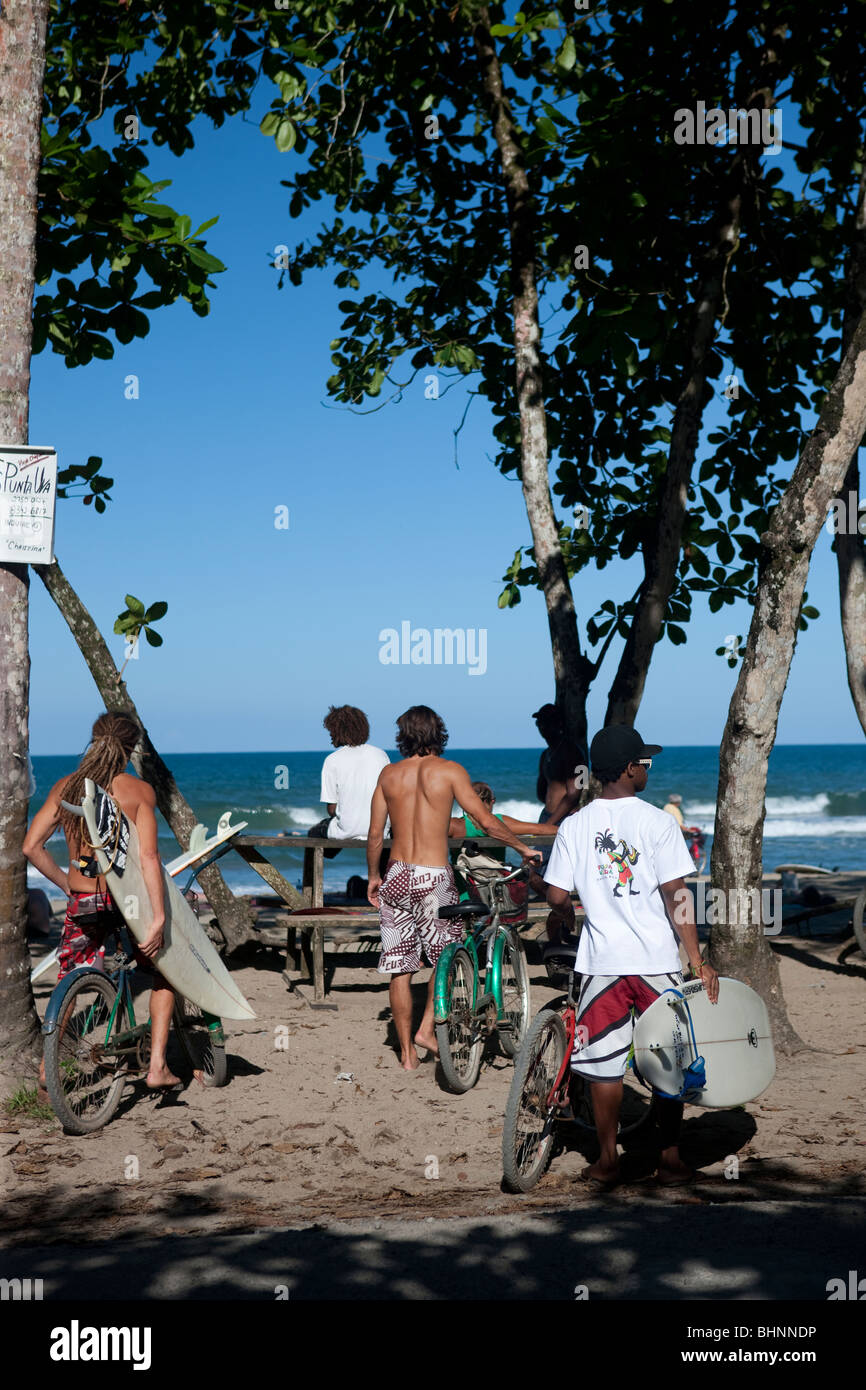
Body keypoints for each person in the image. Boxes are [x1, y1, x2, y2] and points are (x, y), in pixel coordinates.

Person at [543, 724, 719, 1190]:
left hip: (602, 962)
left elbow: (557, 893)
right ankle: (671, 1160)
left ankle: (606, 1162)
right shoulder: (658, 822)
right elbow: (676, 894)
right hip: (656, 963)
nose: (647, 769)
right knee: (669, 1056)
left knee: (602, 1064)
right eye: (645, 762)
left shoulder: (575, 825)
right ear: (627, 769)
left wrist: (564, 916)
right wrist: (697, 958)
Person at [366, 706, 541, 1072]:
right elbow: (484, 820)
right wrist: (524, 848)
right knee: (445, 955)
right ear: (438, 734)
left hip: (396, 871)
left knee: (401, 969)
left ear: (403, 735)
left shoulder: (388, 775)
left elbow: (374, 834)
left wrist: (373, 876)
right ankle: (426, 1030)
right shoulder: (450, 772)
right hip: (434, 874)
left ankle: (407, 1056)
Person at [23, 712, 181, 1093]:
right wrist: (158, 917)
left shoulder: (68, 788)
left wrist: (68, 883)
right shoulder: (139, 791)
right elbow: (147, 859)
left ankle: (48, 1069)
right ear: (130, 748)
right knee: (165, 972)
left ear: (95, 741)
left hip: (84, 901)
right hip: (127, 903)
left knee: (70, 978)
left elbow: (31, 847)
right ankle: (157, 1066)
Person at [448, 780, 558, 900]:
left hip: (463, 897)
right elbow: (540, 829)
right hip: (497, 896)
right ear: (492, 801)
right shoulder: (501, 823)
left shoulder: (455, 826)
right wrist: (572, 827)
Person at [308, 705, 389, 858]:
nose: (330, 735)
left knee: (314, 833)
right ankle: (383, 877)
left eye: (331, 730)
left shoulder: (332, 760)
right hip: (381, 831)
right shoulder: (381, 755)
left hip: (346, 831)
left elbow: (332, 809)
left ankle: (311, 881)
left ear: (339, 731)